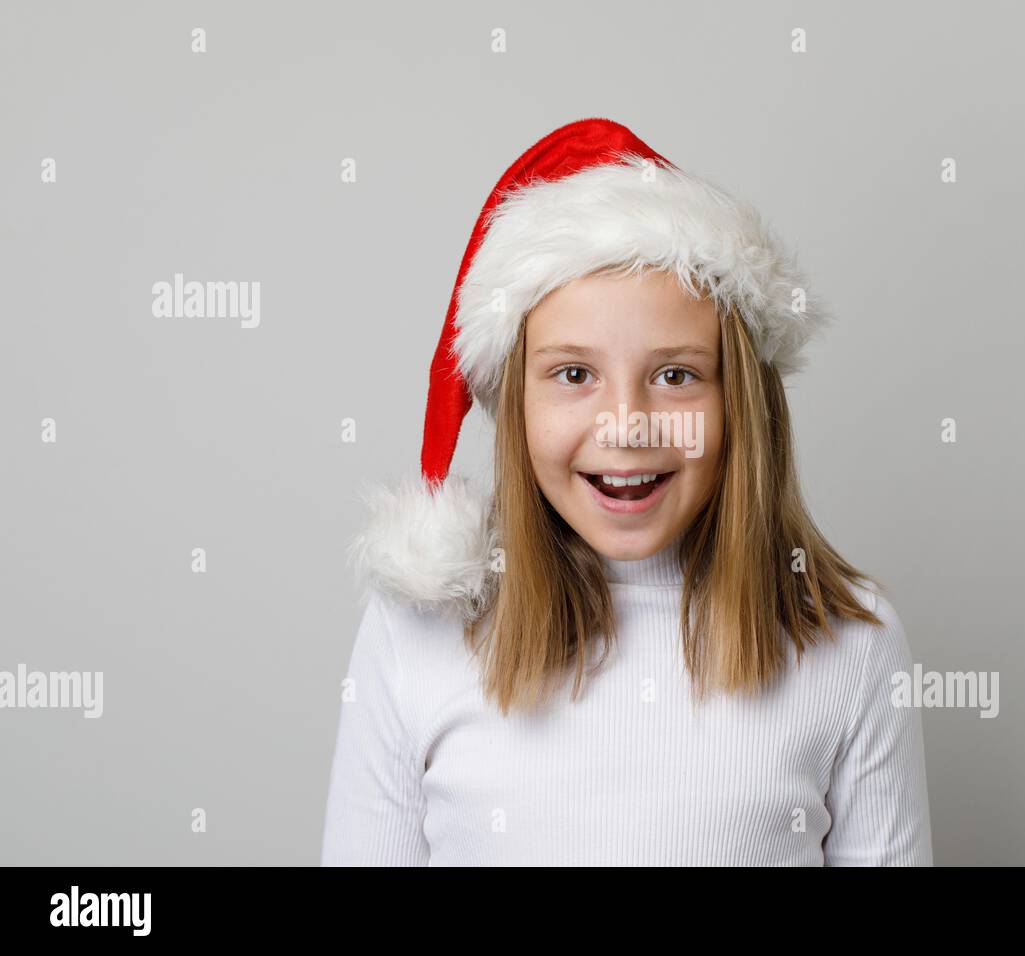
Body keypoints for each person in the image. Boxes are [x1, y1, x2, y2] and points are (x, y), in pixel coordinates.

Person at [320, 117, 933, 866]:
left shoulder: (850, 644)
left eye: (675, 375)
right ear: (515, 403)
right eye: (573, 374)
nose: (627, 428)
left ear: (739, 400)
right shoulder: (414, 635)